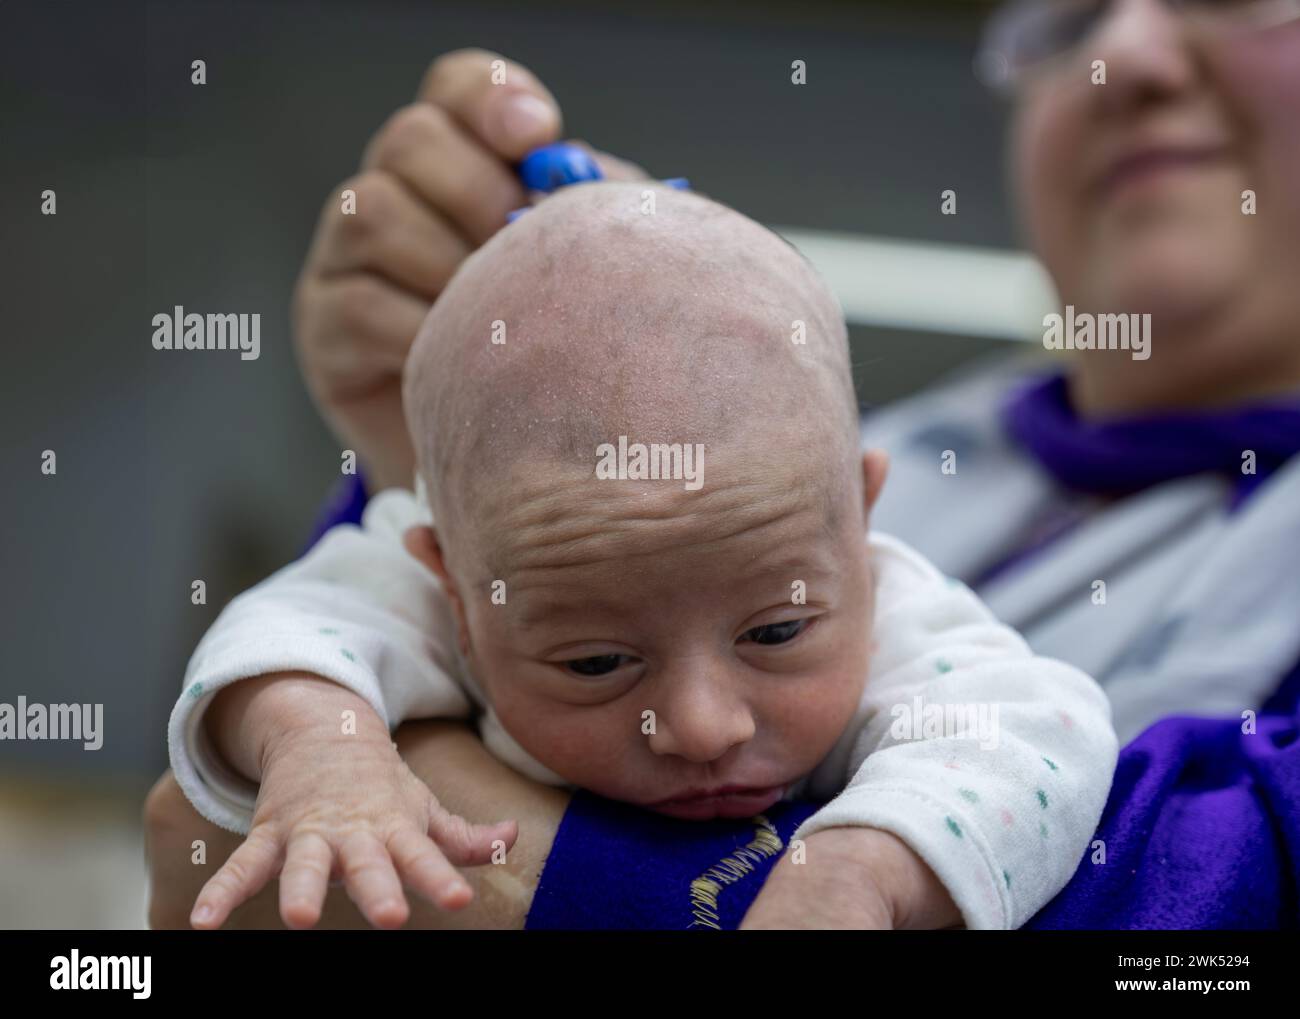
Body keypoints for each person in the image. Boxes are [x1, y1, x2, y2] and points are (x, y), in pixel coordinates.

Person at [147, 0, 1300, 929]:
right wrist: (427, 461)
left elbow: (1069, 781)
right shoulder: (858, 448)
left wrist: (827, 872)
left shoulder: (887, 580)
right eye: (1070, 15)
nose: (1130, 47)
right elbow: (310, 641)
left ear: (861, 516)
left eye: (777, 630)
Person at [165, 181, 1117, 932]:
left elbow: (1041, 736)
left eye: (776, 632)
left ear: (862, 521)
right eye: (596, 662)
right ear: (451, 584)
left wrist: (858, 870)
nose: (702, 728)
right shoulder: (421, 591)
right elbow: (287, 631)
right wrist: (326, 756)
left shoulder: (898, 610)